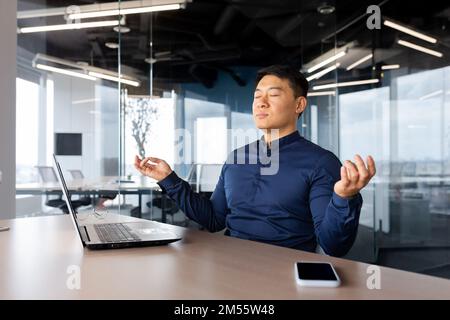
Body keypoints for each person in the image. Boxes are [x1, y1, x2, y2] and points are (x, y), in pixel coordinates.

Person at [134, 65, 376, 257]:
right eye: (257, 96)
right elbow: (213, 219)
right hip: (230, 265)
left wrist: (344, 198)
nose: (261, 102)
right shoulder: (237, 157)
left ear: (299, 105)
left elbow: (334, 246)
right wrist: (170, 180)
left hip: (285, 272)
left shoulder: (321, 162)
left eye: (273, 95)